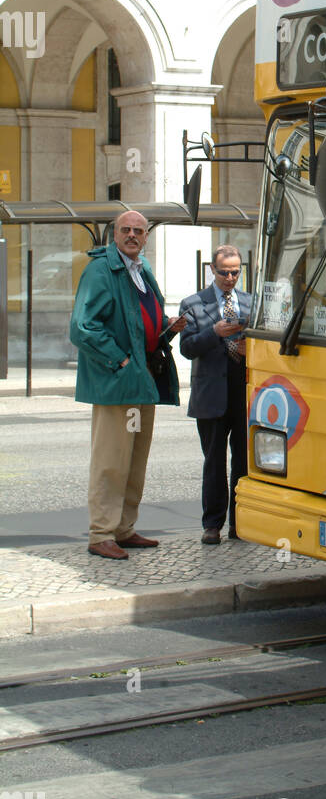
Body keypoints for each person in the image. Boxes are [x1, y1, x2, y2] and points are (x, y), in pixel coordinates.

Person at [70, 210, 185, 560]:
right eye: (126, 230)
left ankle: (123, 528)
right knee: (111, 459)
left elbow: (138, 321)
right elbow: (83, 327)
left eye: (139, 230)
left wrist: (166, 327)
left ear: (146, 237)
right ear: (114, 235)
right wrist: (120, 361)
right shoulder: (101, 270)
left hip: (142, 382)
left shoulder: (142, 269)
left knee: (135, 458)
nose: (132, 235)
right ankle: (101, 532)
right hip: (118, 383)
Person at [179, 244, 251, 544]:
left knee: (244, 463)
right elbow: (186, 347)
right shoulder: (193, 303)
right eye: (224, 272)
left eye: (235, 272)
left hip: (243, 391)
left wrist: (252, 350)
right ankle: (212, 524)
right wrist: (214, 334)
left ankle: (241, 523)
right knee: (214, 461)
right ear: (212, 269)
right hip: (210, 393)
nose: (230, 278)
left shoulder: (250, 302)